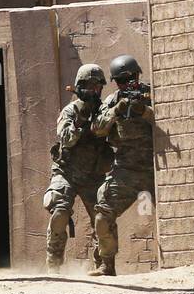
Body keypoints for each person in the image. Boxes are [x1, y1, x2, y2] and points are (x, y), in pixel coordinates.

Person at [43, 63, 112, 273]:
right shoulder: (70, 111)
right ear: (79, 87)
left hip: (94, 174)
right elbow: (66, 139)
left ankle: (104, 265)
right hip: (66, 172)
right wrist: (81, 119)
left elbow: (116, 136)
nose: (93, 90)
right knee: (60, 211)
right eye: (88, 86)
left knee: (103, 217)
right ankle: (54, 264)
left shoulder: (104, 110)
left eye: (97, 86)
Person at [89, 54, 155, 276]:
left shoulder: (150, 94)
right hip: (126, 171)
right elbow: (97, 129)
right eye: (122, 81)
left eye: (132, 79)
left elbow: (169, 120)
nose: (128, 85)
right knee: (102, 214)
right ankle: (106, 264)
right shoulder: (113, 100)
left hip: (156, 168)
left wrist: (143, 111)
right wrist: (116, 110)